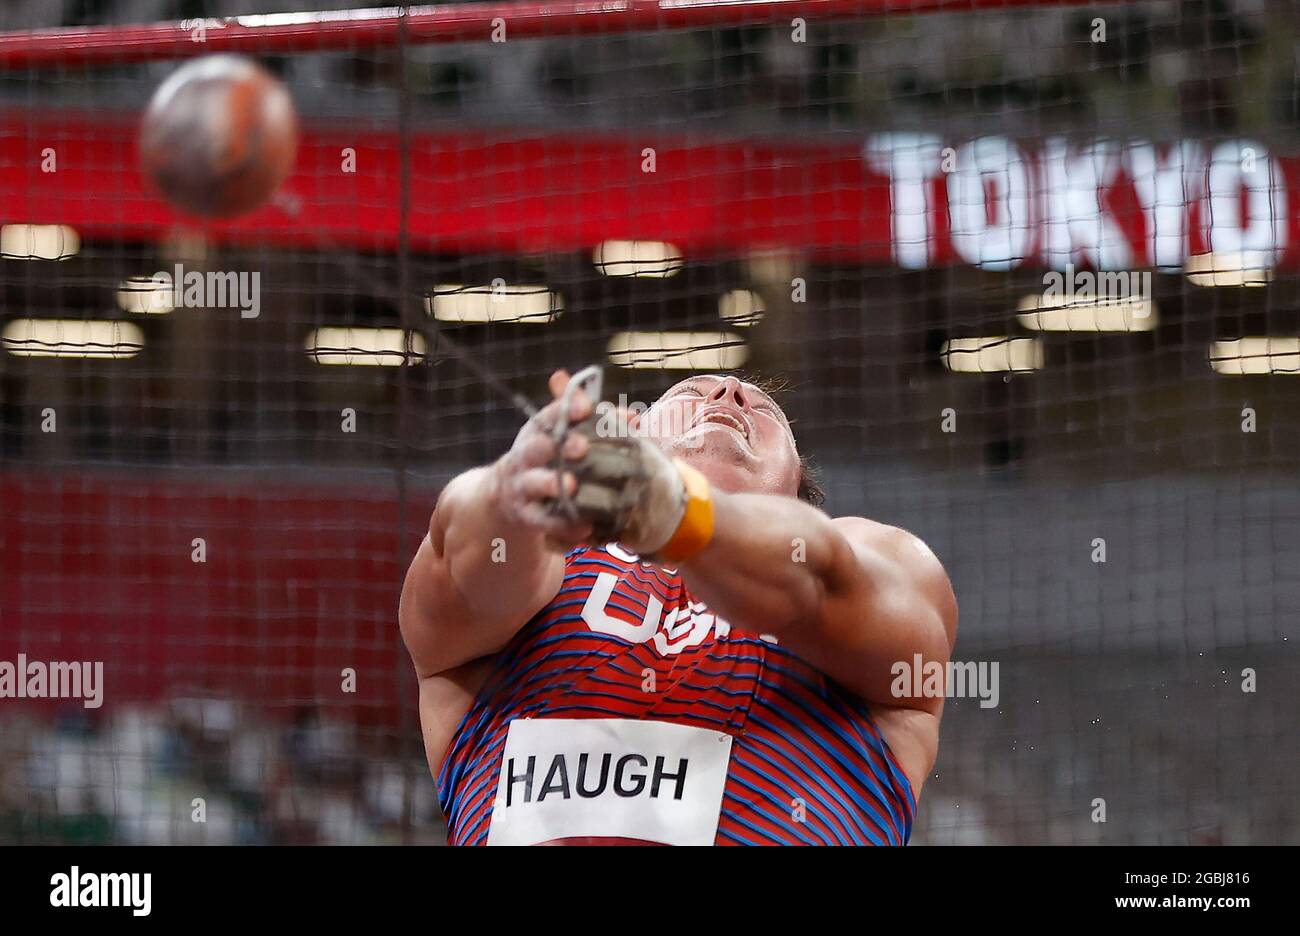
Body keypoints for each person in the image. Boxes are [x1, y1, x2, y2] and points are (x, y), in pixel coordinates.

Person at [400, 369, 957, 845]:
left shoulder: (873, 554)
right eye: (693, 391)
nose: (730, 396)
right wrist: (522, 488)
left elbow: (819, 577)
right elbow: (460, 562)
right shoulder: (548, 568)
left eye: (762, 409)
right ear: (634, 433)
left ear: (797, 486)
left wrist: (674, 511)